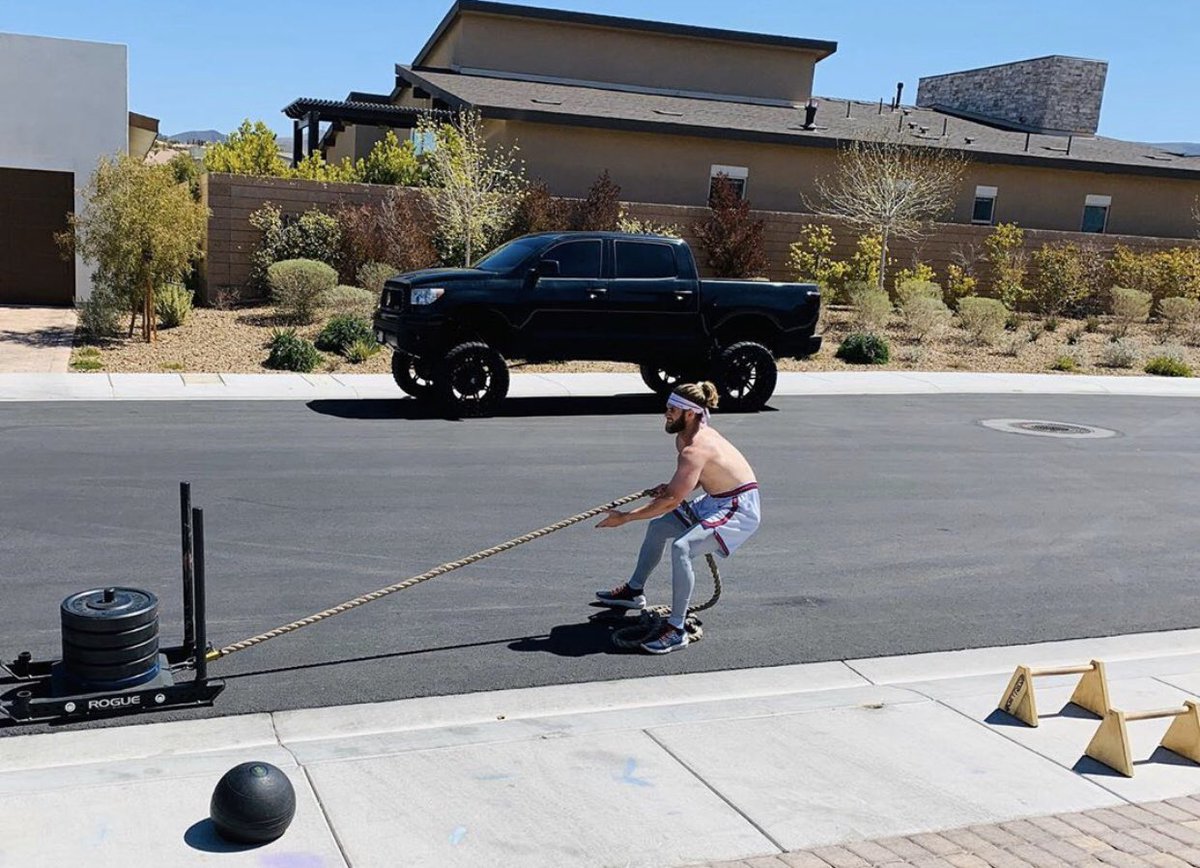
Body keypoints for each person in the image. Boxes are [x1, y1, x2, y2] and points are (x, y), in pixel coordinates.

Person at [595, 381, 761, 654]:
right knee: (659, 527)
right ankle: (633, 592)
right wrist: (673, 488)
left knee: (682, 548)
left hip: (737, 507)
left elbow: (671, 501)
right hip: (716, 499)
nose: (666, 414)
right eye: (668, 408)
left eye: (672, 409)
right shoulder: (684, 438)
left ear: (690, 413)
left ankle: (676, 630)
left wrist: (624, 517)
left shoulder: (695, 448)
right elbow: (692, 482)